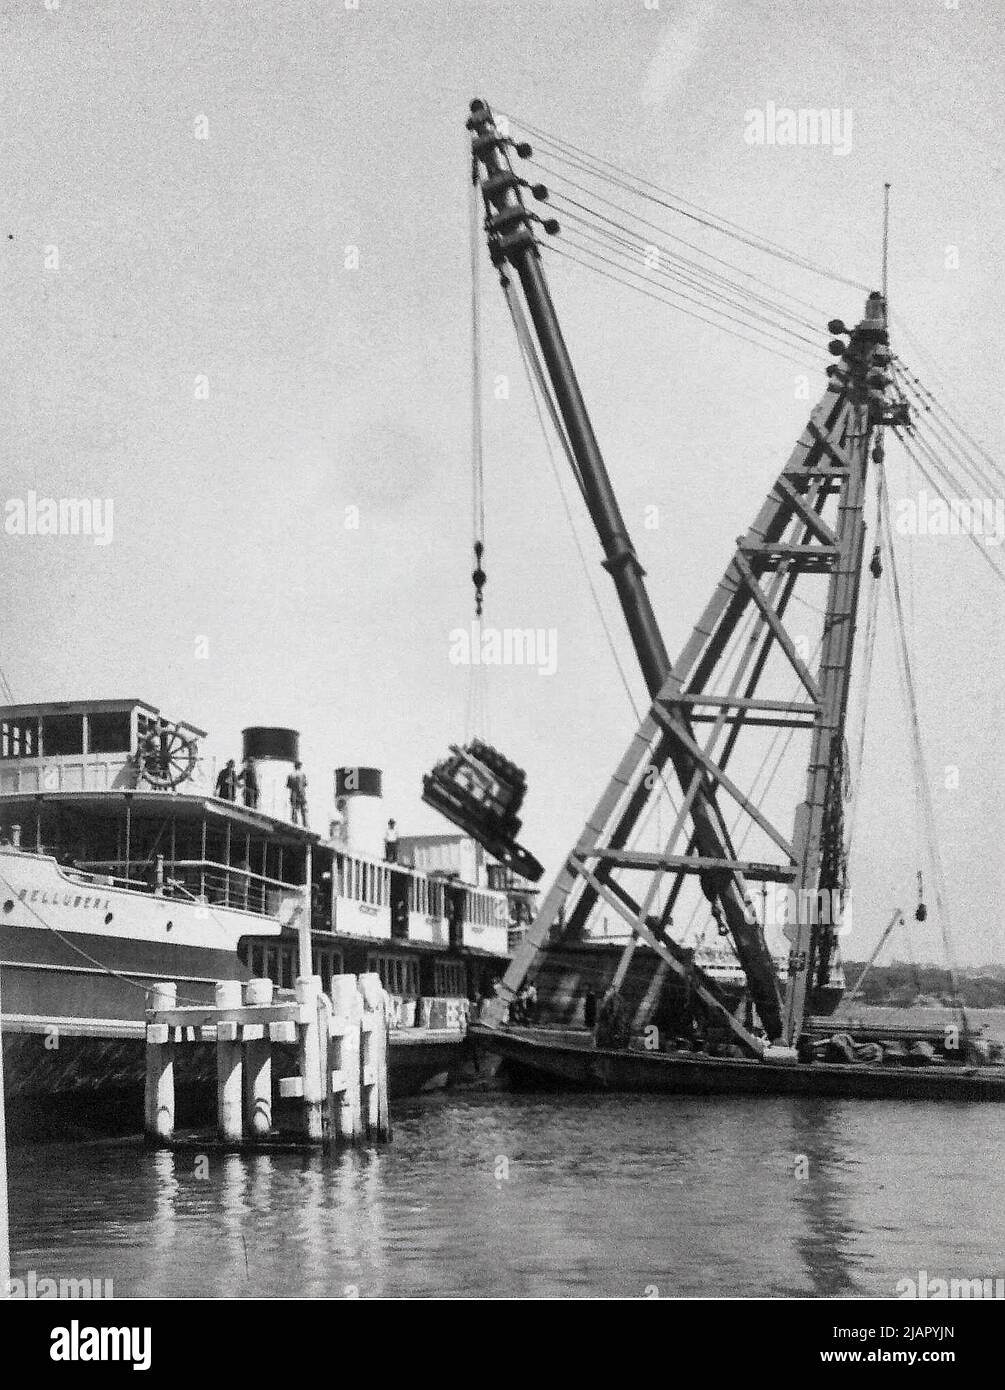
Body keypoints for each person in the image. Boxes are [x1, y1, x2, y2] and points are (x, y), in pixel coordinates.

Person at [287, 761, 308, 826]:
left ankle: (294, 823)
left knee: (294, 809)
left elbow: (288, 785)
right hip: (301, 794)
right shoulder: (302, 774)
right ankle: (305, 824)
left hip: (294, 794)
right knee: (303, 810)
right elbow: (305, 784)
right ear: (299, 766)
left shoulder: (290, 775)